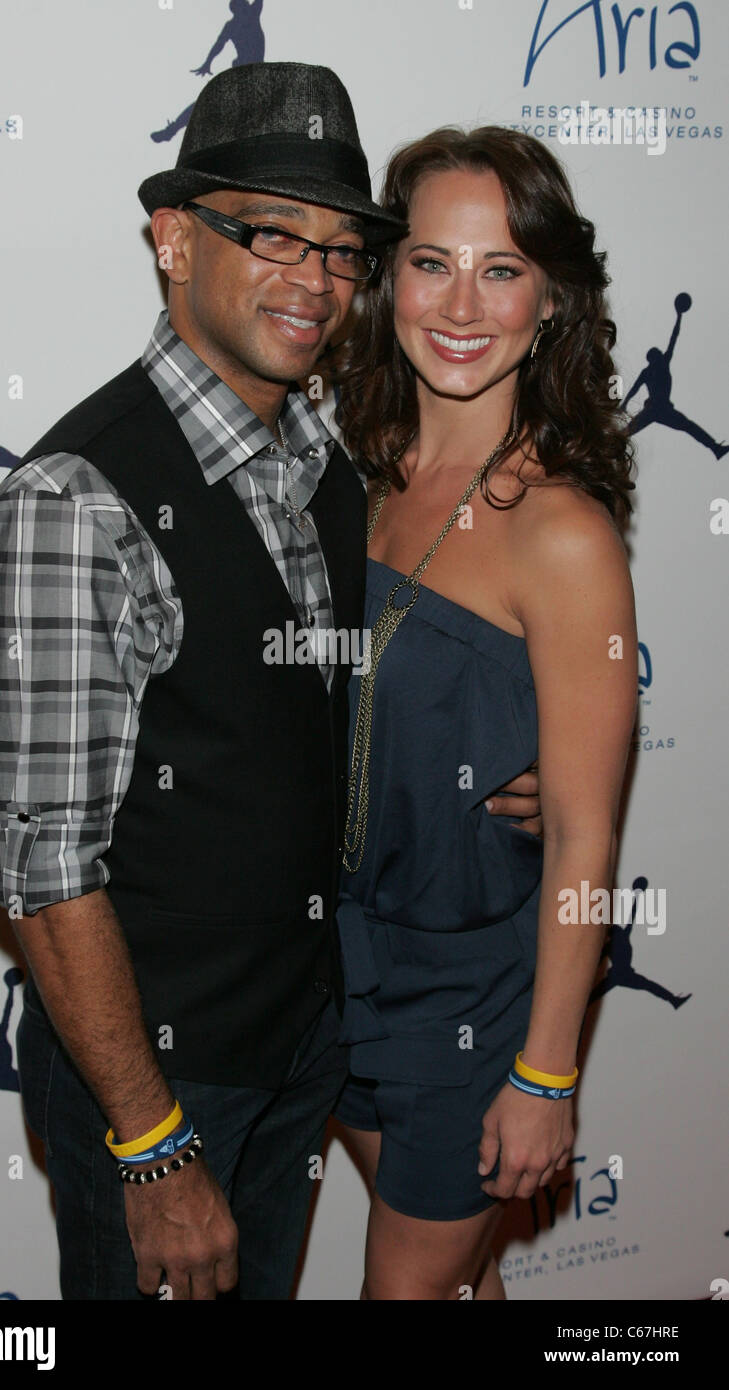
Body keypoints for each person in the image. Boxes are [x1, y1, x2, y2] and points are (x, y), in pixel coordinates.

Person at [0, 66, 540, 1302]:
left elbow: (313, 723)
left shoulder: (321, 467)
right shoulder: (73, 508)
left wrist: (496, 776)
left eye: (339, 249)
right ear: (173, 239)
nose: (316, 280)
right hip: (165, 1092)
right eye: (269, 232)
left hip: (307, 1043)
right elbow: (47, 874)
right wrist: (154, 1147)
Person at [332, 126, 637, 1301]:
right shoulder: (353, 471)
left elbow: (583, 834)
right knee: (463, 1285)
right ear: (384, 278)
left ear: (549, 299)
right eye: (430, 263)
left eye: (501, 270)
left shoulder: (560, 533)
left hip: (473, 997)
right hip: (337, 967)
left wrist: (548, 1071)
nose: (463, 303)